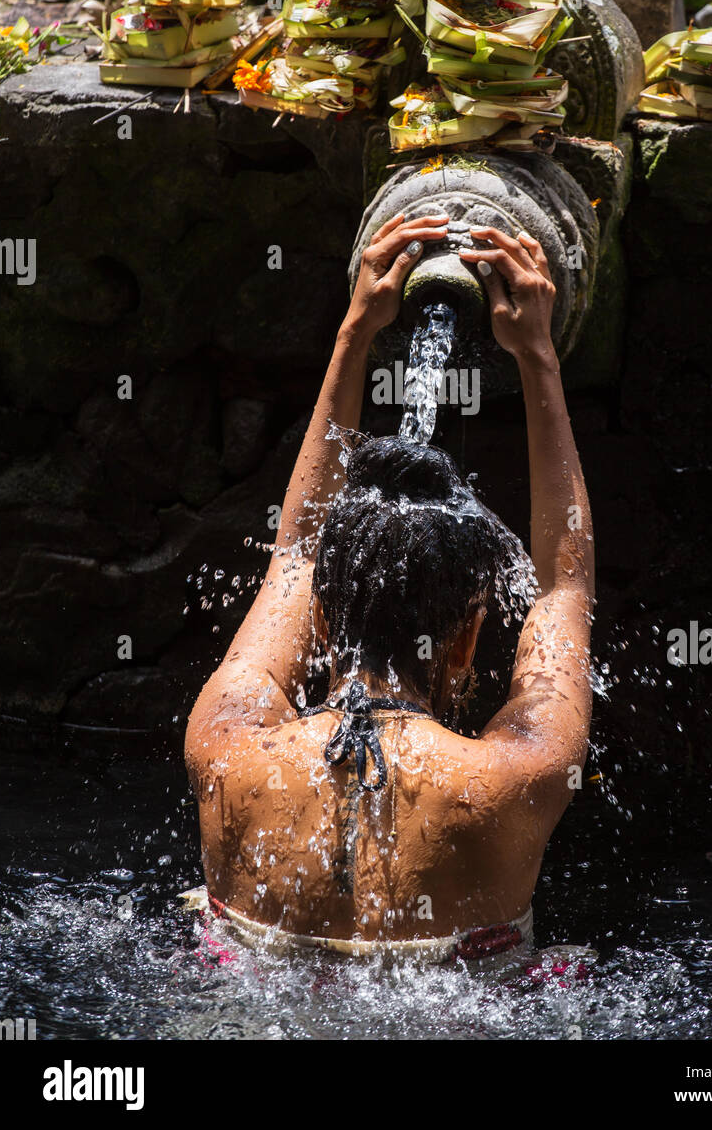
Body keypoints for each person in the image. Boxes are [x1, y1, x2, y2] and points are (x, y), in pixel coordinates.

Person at [184, 211, 594, 962]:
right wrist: (538, 356)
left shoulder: (225, 743)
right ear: (468, 636)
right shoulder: (515, 777)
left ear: (326, 612)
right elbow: (563, 586)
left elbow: (297, 555)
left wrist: (355, 333)